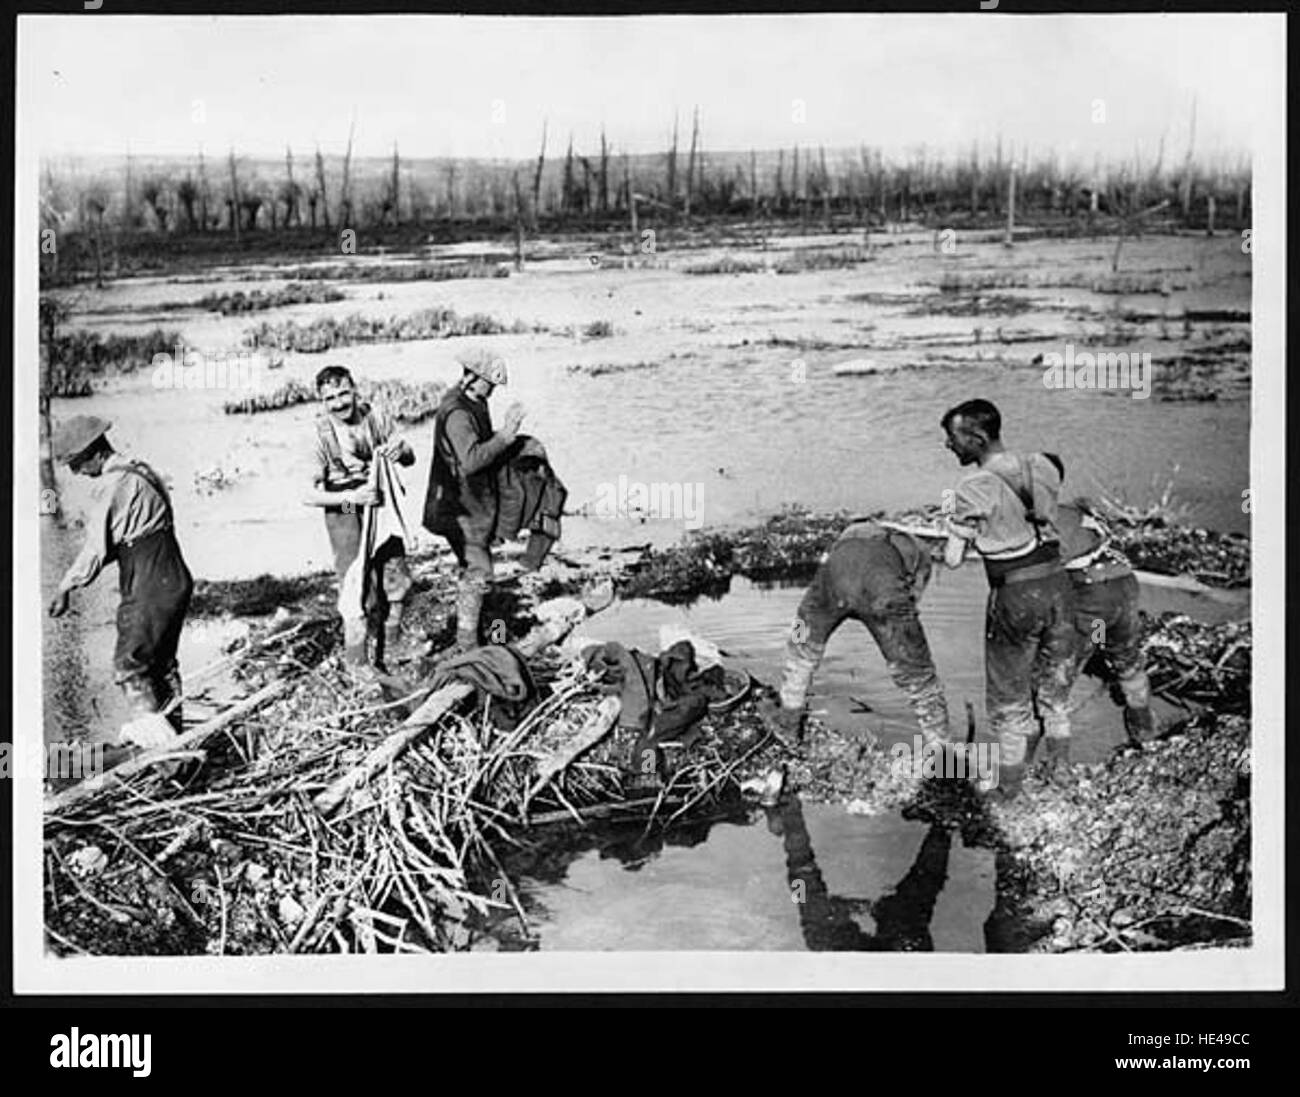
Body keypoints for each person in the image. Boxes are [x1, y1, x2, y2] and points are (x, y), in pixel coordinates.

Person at [939, 398, 1077, 800]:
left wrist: (953, 527)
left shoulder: (971, 486)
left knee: (1008, 699)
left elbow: (951, 560)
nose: (949, 446)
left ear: (976, 437)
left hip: (1015, 594)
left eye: (953, 438)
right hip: (1059, 586)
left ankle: (1009, 790)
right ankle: (1060, 774)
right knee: (1054, 687)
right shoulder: (1043, 464)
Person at [47, 416, 194, 738]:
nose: (75, 472)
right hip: (171, 571)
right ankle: (177, 735)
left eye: (76, 463)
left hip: (149, 577)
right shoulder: (141, 469)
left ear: (95, 452)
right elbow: (134, 532)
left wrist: (66, 585)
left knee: (130, 665)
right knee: (161, 663)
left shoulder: (111, 484)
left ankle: (160, 751)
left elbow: (96, 548)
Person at [763, 519, 951, 751]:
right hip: (883, 592)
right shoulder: (919, 550)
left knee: (800, 643)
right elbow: (912, 597)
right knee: (920, 676)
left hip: (832, 579)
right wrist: (902, 631)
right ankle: (941, 751)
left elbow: (844, 575)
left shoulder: (848, 538)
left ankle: (789, 719)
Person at [304, 365, 415, 669]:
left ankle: (391, 647)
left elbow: (409, 458)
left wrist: (400, 449)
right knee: (357, 586)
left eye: (344, 394)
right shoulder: (319, 434)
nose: (340, 403)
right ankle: (357, 665)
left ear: (355, 389)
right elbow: (308, 494)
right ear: (321, 401)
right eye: (331, 399)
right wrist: (351, 498)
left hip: (379, 501)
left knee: (396, 577)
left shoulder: (374, 417)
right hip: (346, 506)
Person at [1043, 454, 1156, 750]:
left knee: (1054, 686)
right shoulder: (1080, 511)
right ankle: (1146, 739)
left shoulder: (1046, 520)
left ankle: (1057, 769)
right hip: (1123, 589)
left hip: (1093, 599)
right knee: (1127, 665)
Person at [422, 353, 525, 652]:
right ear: (471, 376)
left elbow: (479, 445)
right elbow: (470, 461)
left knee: (478, 572)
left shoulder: (474, 400)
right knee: (481, 573)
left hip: (471, 504)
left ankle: (491, 637)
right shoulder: (457, 412)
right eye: (489, 383)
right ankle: (471, 644)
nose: (492, 390)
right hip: (458, 508)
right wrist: (506, 435)